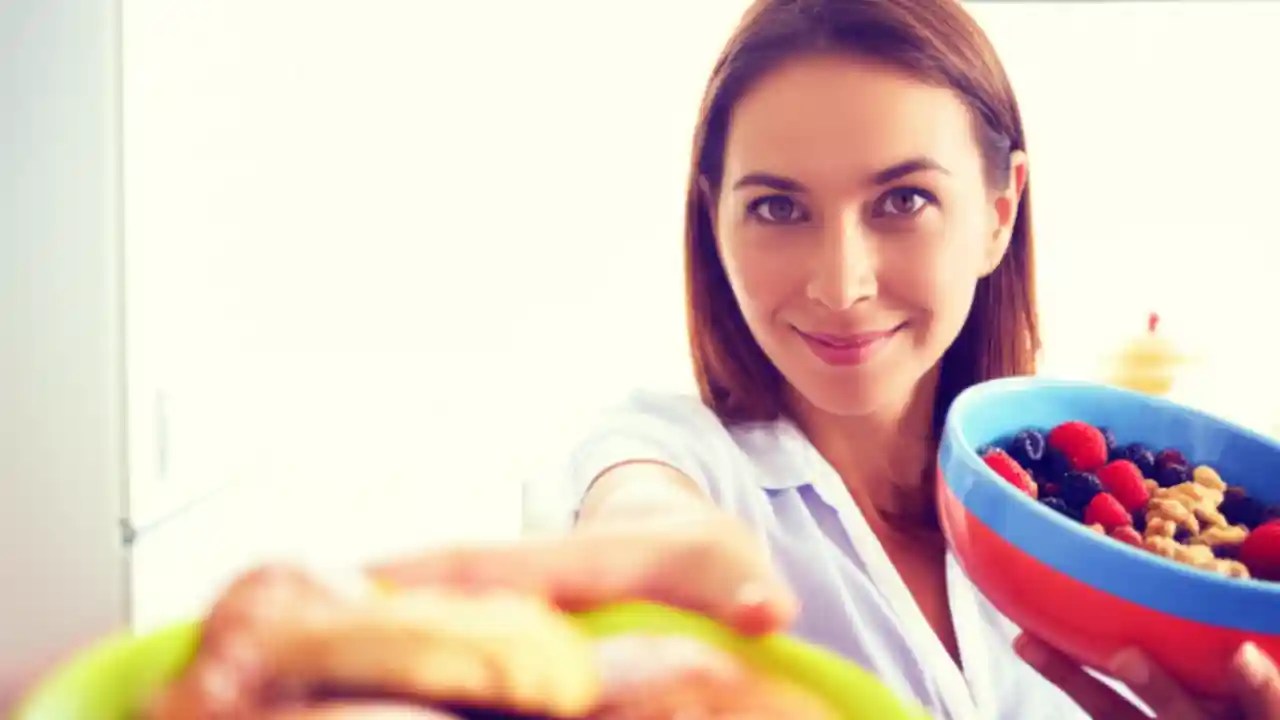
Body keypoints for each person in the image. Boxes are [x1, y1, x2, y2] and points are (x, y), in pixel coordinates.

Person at [373, 1, 1280, 718]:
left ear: (999, 212)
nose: (841, 284)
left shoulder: (1099, 516)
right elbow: (646, 516)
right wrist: (663, 571)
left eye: (903, 201)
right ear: (714, 219)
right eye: (777, 208)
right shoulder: (662, 451)